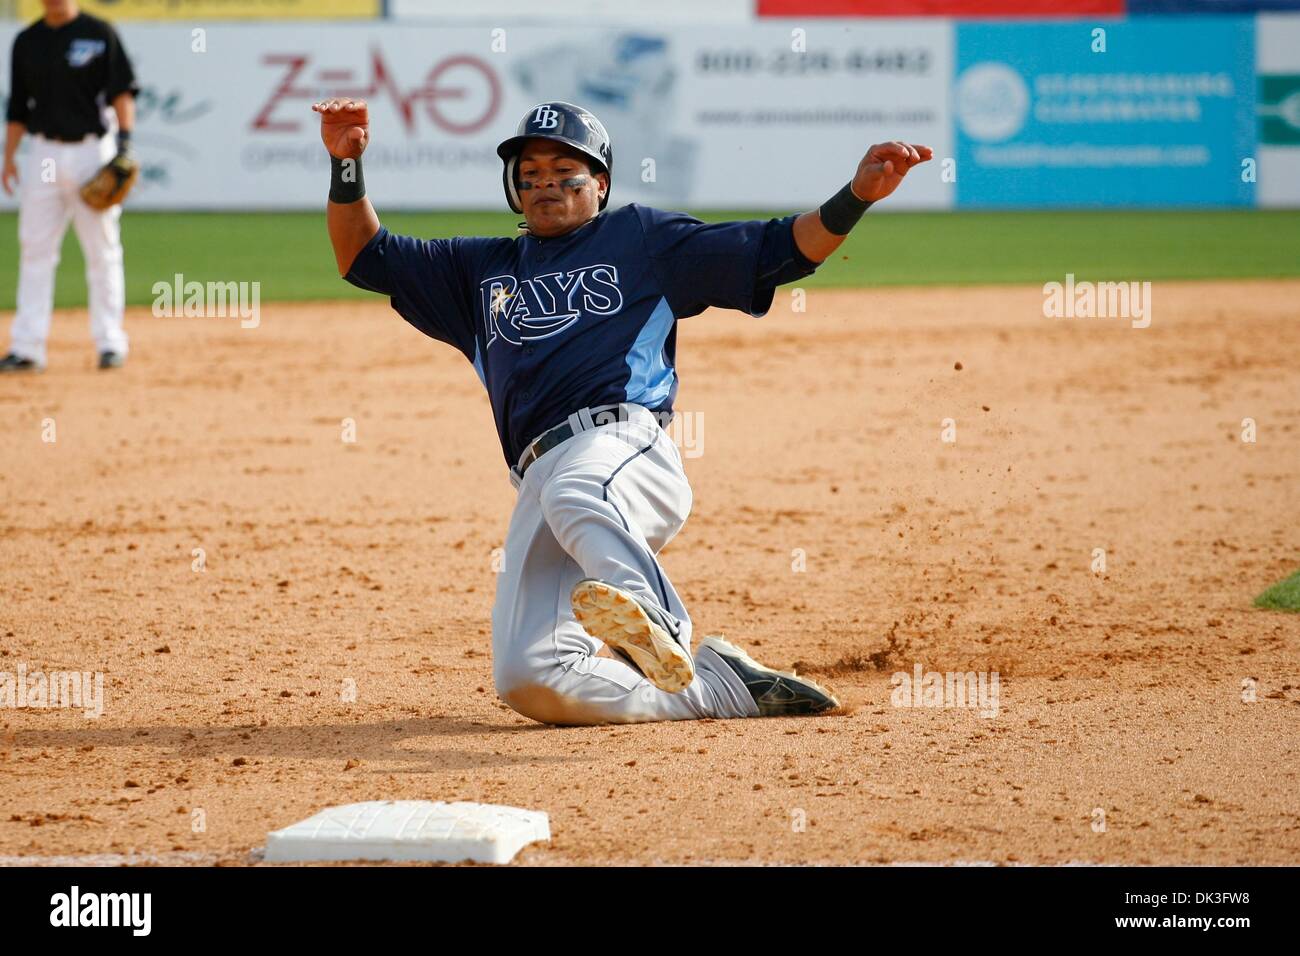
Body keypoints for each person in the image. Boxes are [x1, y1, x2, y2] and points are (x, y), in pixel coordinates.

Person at [314, 96, 932, 725]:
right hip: (538, 480)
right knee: (529, 676)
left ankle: (660, 623)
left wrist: (856, 196)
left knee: (579, 492)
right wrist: (346, 167)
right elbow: (363, 257)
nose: (543, 185)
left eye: (563, 172)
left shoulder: (641, 239)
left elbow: (780, 248)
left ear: (600, 183)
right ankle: (720, 691)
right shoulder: (479, 271)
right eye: (529, 175)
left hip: (622, 448)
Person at [1, 0, 137, 373]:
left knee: (102, 248)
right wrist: (9, 156)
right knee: (35, 247)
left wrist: (123, 145)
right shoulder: (27, 41)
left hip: (92, 151)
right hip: (44, 150)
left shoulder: (99, 33)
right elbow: (17, 108)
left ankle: (110, 341)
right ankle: (27, 347)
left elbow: (122, 92)